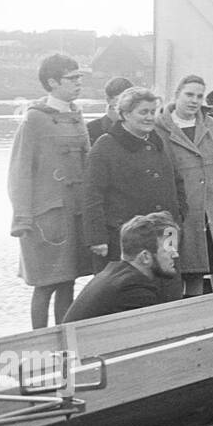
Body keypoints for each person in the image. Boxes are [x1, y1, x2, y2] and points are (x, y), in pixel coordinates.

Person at [64, 211, 190, 426]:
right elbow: (155, 354)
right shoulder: (134, 290)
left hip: (82, 388)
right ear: (145, 257)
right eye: (169, 249)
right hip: (93, 397)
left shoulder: (114, 274)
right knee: (182, 372)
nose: (176, 255)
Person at [8, 54, 93, 328]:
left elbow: (88, 164)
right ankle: (38, 344)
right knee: (45, 284)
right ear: (52, 82)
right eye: (72, 78)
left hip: (75, 213)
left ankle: (63, 345)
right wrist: (22, 219)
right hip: (45, 218)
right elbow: (19, 173)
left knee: (68, 281)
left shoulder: (77, 114)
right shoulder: (34, 120)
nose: (79, 82)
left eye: (80, 77)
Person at [82, 87, 183, 296]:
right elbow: (92, 195)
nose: (149, 117)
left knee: (170, 289)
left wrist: (180, 215)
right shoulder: (105, 146)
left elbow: (177, 180)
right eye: (143, 112)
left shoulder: (158, 141)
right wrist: (97, 238)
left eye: (153, 112)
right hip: (125, 236)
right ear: (126, 114)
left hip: (167, 231)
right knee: (129, 293)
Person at [155, 75, 213, 297]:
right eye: (189, 95)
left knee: (205, 269)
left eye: (199, 96)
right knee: (170, 269)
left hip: (211, 214)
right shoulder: (159, 128)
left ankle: (205, 321)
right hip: (173, 220)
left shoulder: (212, 125)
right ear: (177, 95)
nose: (194, 101)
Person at [87, 76, 134, 145]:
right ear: (109, 100)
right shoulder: (91, 129)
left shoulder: (141, 128)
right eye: (121, 100)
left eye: (130, 100)